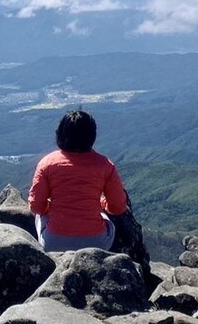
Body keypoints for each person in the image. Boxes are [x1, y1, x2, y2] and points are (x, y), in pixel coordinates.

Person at [29, 110, 145, 267]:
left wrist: (51, 207)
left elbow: (36, 206)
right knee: (106, 221)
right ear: (92, 135)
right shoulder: (105, 165)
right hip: (97, 243)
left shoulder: (47, 164)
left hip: (54, 243)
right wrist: (102, 205)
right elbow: (118, 207)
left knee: (39, 216)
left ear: (61, 133)